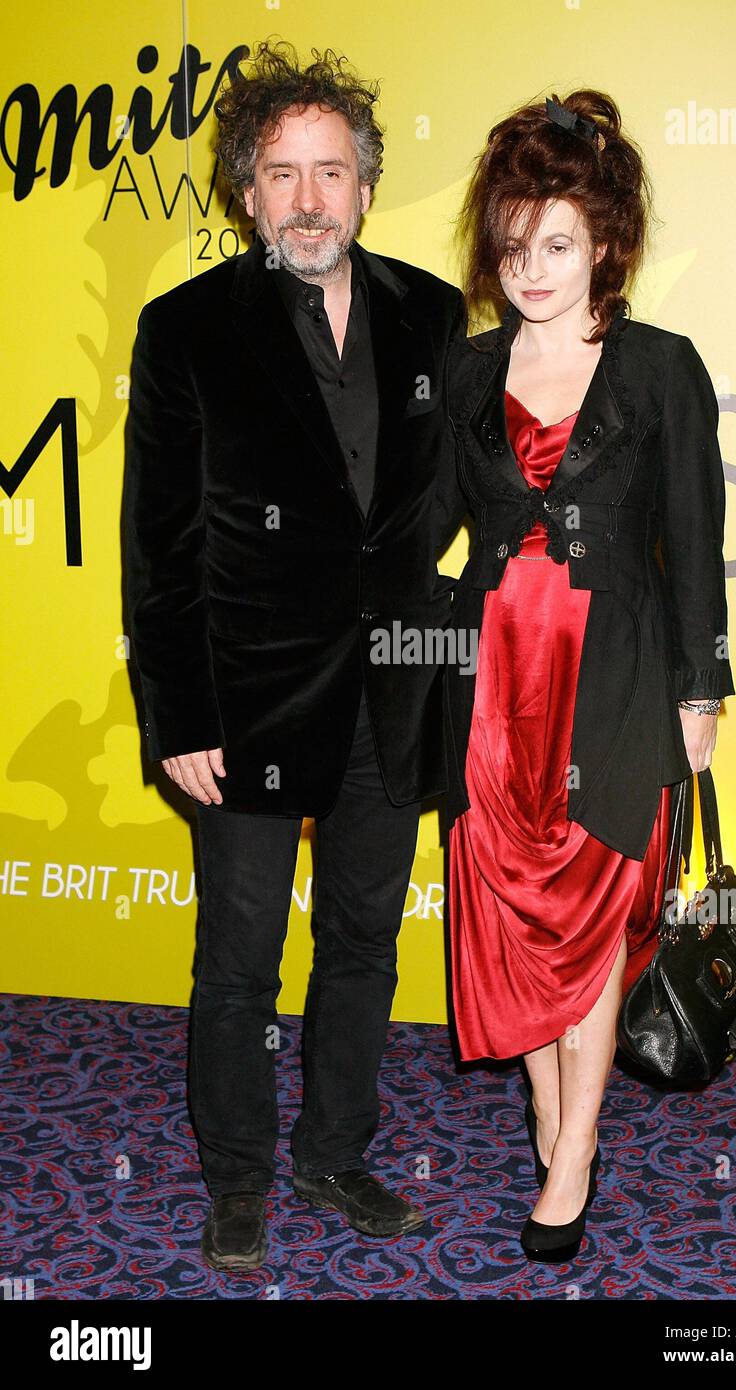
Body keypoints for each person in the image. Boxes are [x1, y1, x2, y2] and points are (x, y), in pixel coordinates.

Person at [122, 41, 466, 1271]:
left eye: (331, 171)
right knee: (240, 955)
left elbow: (436, 507)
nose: (309, 197)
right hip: (251, 699)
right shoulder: (186, 329)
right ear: (247, 193)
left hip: (389, 692)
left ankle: (335, 1150)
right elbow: (157, 546)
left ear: (365, 187)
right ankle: (238, 1179)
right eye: (282, 174)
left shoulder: (431, 311)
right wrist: (179, 714)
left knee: (365, 938)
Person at [441, 90, 735, 1263]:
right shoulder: (464, 374)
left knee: (598, 911)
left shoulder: (660, 369)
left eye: (554, 243)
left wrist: (698, 689)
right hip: (490, 681)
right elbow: (429, 538)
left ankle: (571, 1157)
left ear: (605, 240)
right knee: (507, 908)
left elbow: (692, 541)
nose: (529, 269)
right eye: (511, 246)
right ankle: (549, 1112)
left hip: (609, 676)